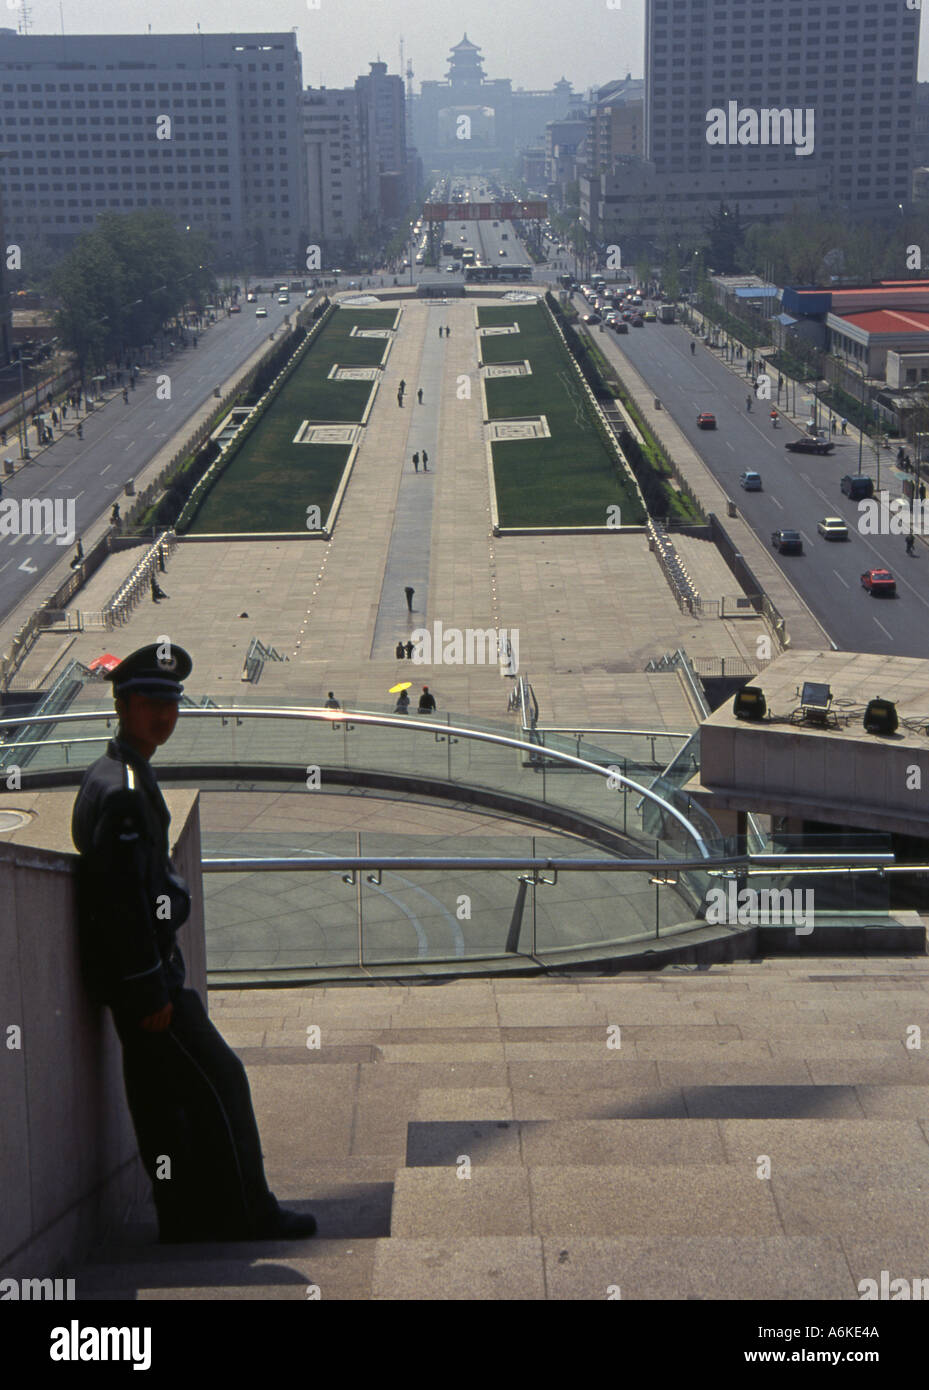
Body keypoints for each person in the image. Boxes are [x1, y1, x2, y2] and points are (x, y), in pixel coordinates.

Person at [71, 644, 316, 1245]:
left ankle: (183, 1218)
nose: (164, 715)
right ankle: (252, 1212)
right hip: (149, 987)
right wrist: (150, 985)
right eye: (152, 703)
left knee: (161, 1103)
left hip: (135, 983)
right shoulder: (126, 789)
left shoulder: (111, 773)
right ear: (124, 705)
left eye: (171, 704)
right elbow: (126, 900)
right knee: (224, 1081)